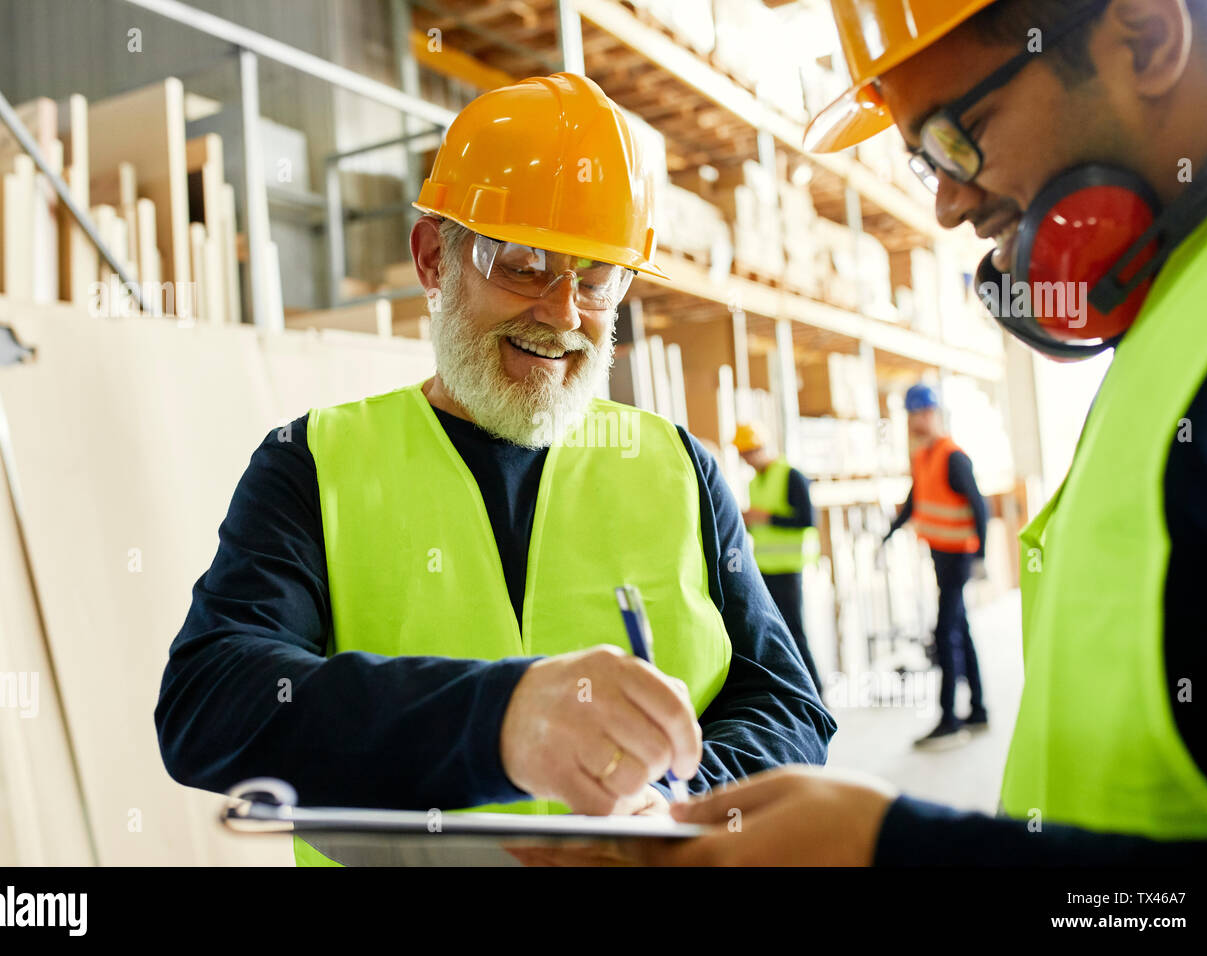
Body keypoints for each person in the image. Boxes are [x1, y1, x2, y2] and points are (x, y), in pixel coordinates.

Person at [153, 73, 834, 866]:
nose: (561, 311)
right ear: (432, 259)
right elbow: (211, 704)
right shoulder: (312, 465)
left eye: (596, 276)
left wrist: (682, 802)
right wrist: (498, 721)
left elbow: (787, 705)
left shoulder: (681, 469)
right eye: (521, 263)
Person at [627, 0, 1207, 865]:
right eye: (925, 163)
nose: (949, 205)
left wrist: (897, 851)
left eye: (961, 133)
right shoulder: (1180, 308)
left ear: (1146, 39)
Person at [883, 384, 989, 749]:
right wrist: (891, 531)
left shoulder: (952, 456)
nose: (916, 421)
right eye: (911, 415)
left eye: (921, 413)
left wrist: (981, 557)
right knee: (960, 629)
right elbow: (917, 498)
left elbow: (980, 506)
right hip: (940, 556)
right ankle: (978, 709)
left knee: (945, 633)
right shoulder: (924, 456)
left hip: (959, 556)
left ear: (934, 414)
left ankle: (950, 719)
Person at [733, 422, 824, 692]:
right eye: (744, 455)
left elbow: (807, 519)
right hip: (765, 569)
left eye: (750, 453)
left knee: (795, 631)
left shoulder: (791, 476)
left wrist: (766, 517)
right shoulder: (755, 482)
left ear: (762, 448)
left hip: (789, 567)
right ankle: (792, 691)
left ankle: (815, 691)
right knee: (775, 633)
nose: (748, 460)